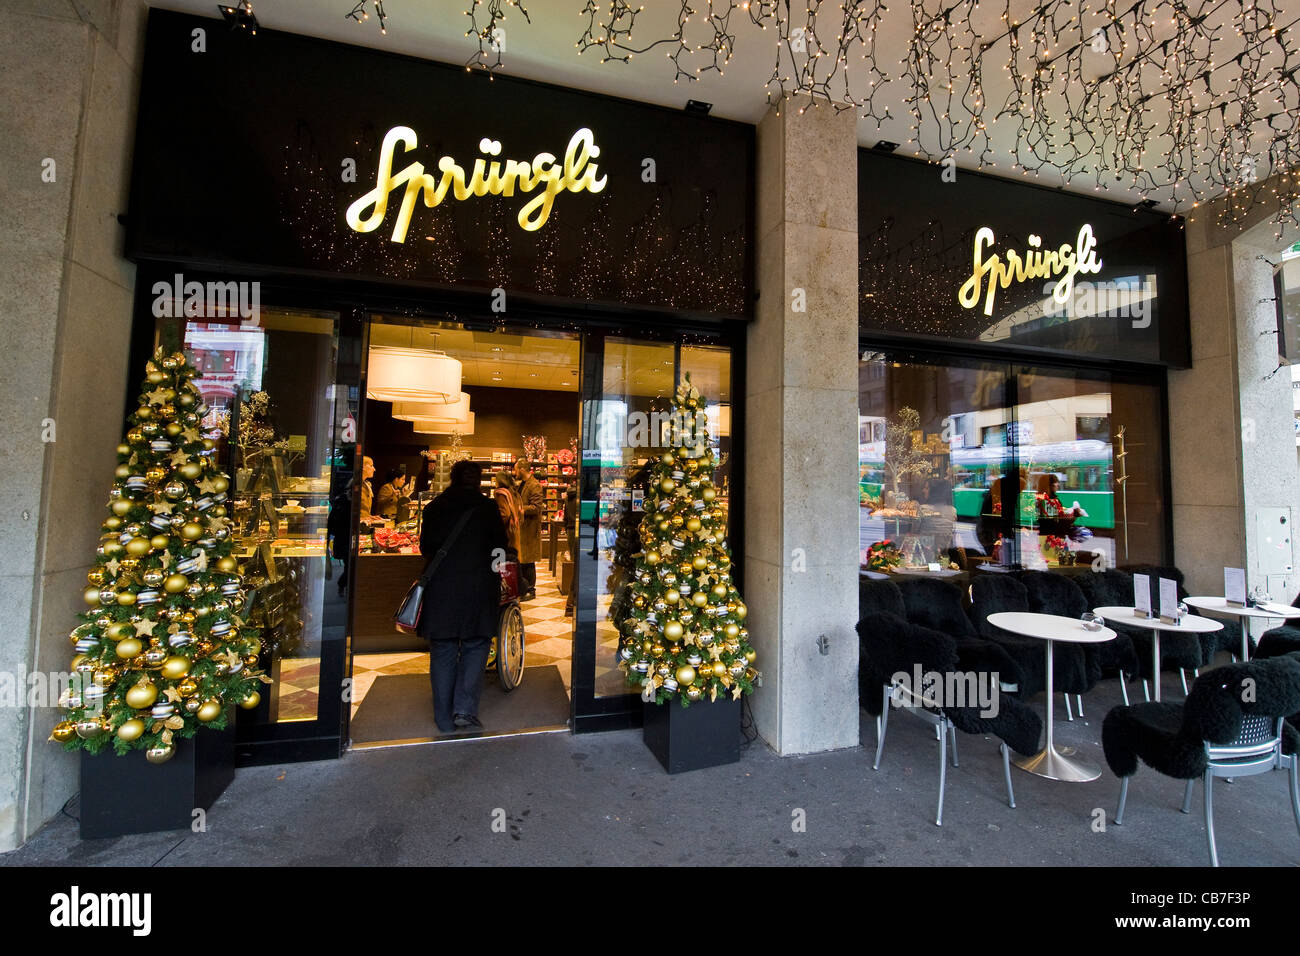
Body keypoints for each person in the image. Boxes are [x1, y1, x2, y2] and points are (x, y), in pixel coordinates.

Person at [418, 459, 507, 733]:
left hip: (442, 589)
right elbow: (500, 548)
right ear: (478, 481)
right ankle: (465, 711)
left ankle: (443, 716)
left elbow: (425, 548)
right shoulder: (488, 508)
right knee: (475, 646)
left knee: (443, 649)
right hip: (478, 588)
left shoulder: (434, 508)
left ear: (451, 478)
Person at [513, 457, 544, 601]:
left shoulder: (534, 485)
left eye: (515, 469)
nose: (514, 472)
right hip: (523, 528)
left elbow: (536, 508)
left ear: (522, 469)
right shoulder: (523, 484)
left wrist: (520, 509)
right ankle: (525, 588)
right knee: (524, 560)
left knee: (529, 561)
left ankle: (531, 590)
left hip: (530, 530)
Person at [492, 469, 522, 560]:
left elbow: (504, 514)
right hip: (514, 530)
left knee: (503, 561)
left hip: (506, 532)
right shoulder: (512, 491)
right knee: (513, 560)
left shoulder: (501, 493)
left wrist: (495, 526)